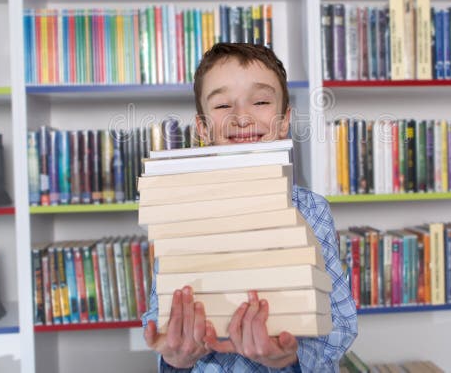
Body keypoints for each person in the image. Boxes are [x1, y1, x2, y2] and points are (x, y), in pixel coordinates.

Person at [141, 43, 358, 371]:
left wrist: (291, 358)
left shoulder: (312, 211)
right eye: (223, 104)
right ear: (202, 128)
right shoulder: (181, 212)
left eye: (260, 101)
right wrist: (175, 359)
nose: (241, 117)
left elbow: (341, 324)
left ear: (284, 121)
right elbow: (164, 313)